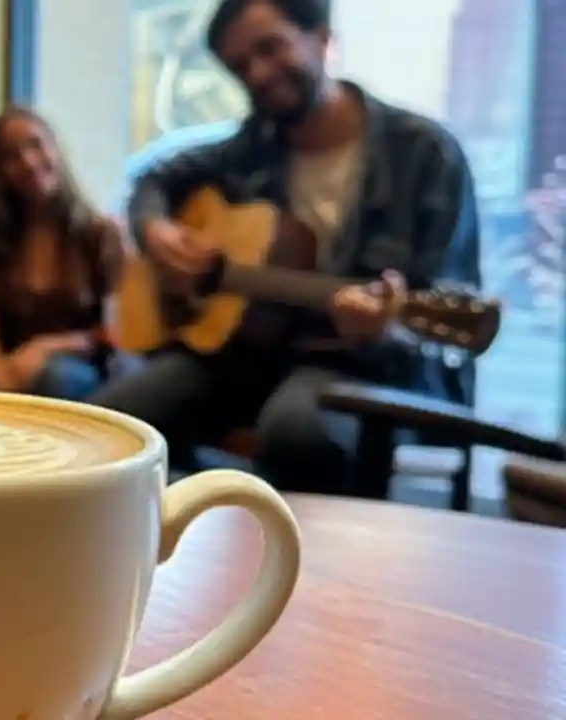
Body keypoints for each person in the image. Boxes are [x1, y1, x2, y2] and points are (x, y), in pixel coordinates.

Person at [89, 0, 480, 493]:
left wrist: (383, 328)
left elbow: (447, 298)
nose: (257, 74)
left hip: (362, 365)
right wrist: (155, 231)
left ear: (319, 35)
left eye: (269, 49)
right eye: (239, 67)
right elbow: (153, 177)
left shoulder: (424, 152)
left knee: (297, 432)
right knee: (107, 427)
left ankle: (292, 560)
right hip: (250, 352)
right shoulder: (253, 144)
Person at [0, 107, 137, 401]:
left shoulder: (101, 233)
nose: (28, 162)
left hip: (87, 371)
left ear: (55, 149)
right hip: (14, 371)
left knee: (53, 377)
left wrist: (45, 347)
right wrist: (2, 384)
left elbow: (118, 332)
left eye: (35, 145)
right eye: (10, 156)